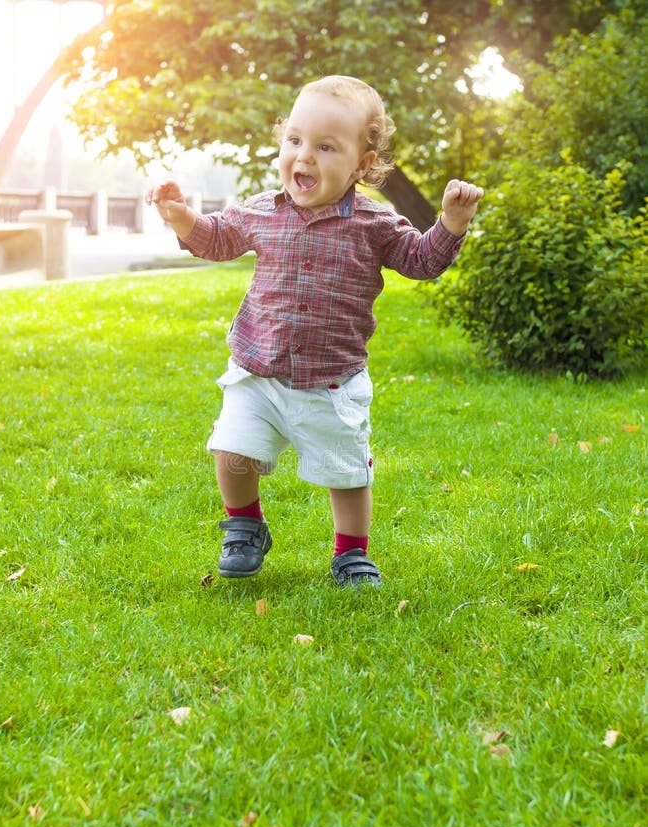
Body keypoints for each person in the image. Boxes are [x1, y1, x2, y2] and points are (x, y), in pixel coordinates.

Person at [146, 75, 483, 587]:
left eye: (326, 147)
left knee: (346, 474)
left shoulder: (374, 223)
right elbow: (216, 239)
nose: (304, 156)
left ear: (362, 165)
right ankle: (245, 525)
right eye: (295, 140)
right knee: (232, 451)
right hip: (258, 371)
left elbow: (420, 260)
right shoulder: (262, 210)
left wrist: (451, 225)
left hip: (331, 380)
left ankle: (351, 553)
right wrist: (182, 218)